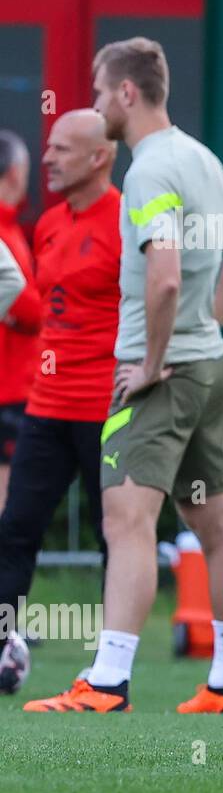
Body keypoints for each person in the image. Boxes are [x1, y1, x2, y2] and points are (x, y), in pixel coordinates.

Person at [25, 37, 223, 714]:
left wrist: (156, 360)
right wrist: (208, 324)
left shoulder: (149, 171)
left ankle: (106, 681)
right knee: (216, 524)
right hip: (208, 365)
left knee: (126, 519)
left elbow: (162, 277)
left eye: (100, 91)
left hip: (163, 376)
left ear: (126, 94)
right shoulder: (202, 158)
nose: (96, 103)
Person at [0, 111, 119, 694]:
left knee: (114, 537)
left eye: (61, 149)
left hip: (107, 407)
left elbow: (165, 293)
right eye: (46, 149)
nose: (47, 159)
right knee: (16, 528)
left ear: (99, 157)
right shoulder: (47, 224)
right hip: (46, 403)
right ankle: (1, 641)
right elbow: (40, 311)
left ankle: (109, 670)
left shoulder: (128, 219)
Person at [0, 130, 40, 514]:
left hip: (14, 385)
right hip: (10, 389)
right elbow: (32, 310)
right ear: (15, 173)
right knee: (9, 498)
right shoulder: (5, 232)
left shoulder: (12, 228)